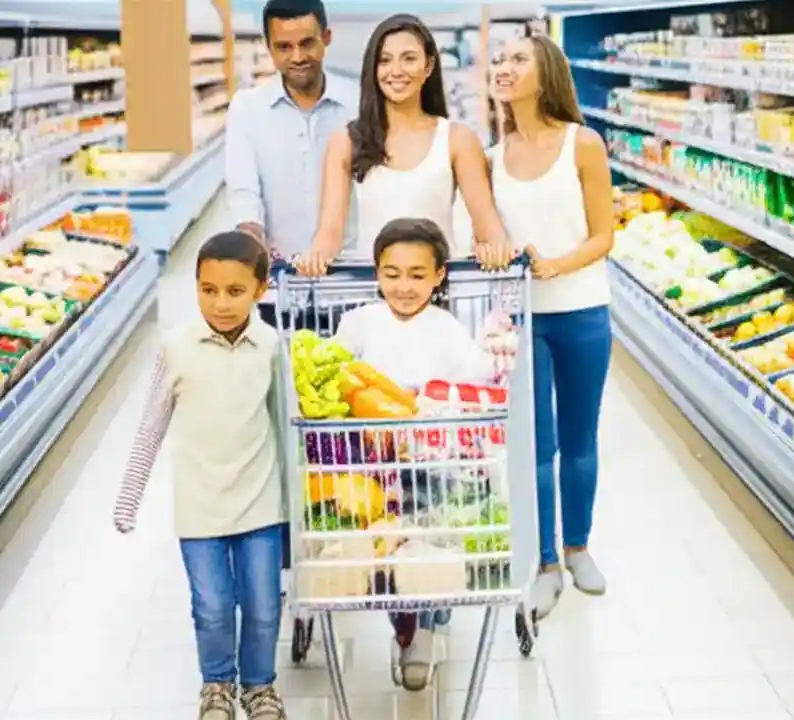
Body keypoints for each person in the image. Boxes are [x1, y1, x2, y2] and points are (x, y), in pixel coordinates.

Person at [113, 231, 289, 720]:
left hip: (260, 501)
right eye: (208, 290)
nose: (221, 302)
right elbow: (152, 423)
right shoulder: (177, 347)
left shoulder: (272, 346)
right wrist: (128, 500)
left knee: (263, 606)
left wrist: (298, 503)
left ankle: (259, 687)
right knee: (211, 605)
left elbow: (282, 420)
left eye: (235, 291)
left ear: (260, 289)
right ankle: (217, 685)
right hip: (200, 505)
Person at [332, 218, 493, 691]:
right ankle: (405, 622)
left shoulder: (445, 328)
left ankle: (425, 628)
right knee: (387, 546)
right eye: (392, 273)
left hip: (430, 461)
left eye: (418, 275)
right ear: (376, 273)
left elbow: (476, 381)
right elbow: (338, 376)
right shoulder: (358, 322)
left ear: (440, 276)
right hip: (370, 464)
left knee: (431, 541)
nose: (404, 287)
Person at [489, 36, 615, 619]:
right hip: (523, 318)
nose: (504, 68)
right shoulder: (495, 156)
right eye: (499, 61)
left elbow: (603, 235)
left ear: (547, 72)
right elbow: (488, 234)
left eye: (517, 59)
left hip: (584, 309)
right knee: (537, 442)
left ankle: (578, 547)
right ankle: (543, 562)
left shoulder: (582, 145)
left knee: (580, 437)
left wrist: (556, 264)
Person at [298, 13, 512, 276]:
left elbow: (487, 225)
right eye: (385, 61)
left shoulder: (457, 139)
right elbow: (329, 232)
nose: (396, 71)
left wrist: (495, 248)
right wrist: (316, 255)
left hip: (436, 293)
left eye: (409, 59)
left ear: (429, 66)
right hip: (370, 292)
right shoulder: (346, 141)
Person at [224, 0, 358, 323]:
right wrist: (252, 242)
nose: (297, 57)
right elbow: (244, 193)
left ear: (327, 37)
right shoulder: (247, 109)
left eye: (307, 43)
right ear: (268, 48)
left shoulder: (359, 102)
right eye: (284, 46)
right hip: (280, 289)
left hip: (355, 284)